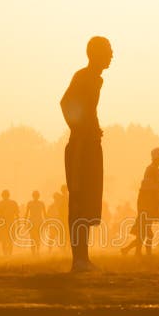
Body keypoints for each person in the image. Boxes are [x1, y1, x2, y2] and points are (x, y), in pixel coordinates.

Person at [60, 36, 112, 272]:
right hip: (81, 146)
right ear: (96, 53)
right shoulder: (83, 77)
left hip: (91, 144)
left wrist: (93, 126)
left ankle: (84, 257)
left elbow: (87, 109)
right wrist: (80, 128)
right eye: (109, 51)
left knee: (90, 200)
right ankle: (78, 259)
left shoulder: (95, 79)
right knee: (79, 200)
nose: (112, 55)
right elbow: (65, 103)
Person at [122, 147, 159, 256]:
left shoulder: (154, 169)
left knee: (144, 232)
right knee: (146, 232)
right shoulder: (151, 170)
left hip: (149, 204)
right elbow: (149, 189)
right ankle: (142, 253)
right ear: (158, 158)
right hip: (147, 204)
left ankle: (132, 251)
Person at [0, 189, 19, 256]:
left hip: (7, 223)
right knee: (6, 240)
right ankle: (7, 254)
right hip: (7, 223)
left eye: (5, 195)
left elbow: (17, 215)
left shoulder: (0, 204)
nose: (5, 196)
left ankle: (7, 254)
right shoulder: (13, 203)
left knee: (7, 240)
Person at [25, 190, 47, 256]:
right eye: (35, 195)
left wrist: (46, 222)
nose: (35, 197)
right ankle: (34, 252)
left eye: (36, 196)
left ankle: (36, 251)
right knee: (33, 237)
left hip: (38, 222)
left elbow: (44, 214)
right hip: (33, 222)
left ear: (38, 196)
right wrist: (25, 221)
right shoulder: (30, 203)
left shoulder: (41, 203)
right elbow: (26, 213)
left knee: (37, 237)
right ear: (33, 196)